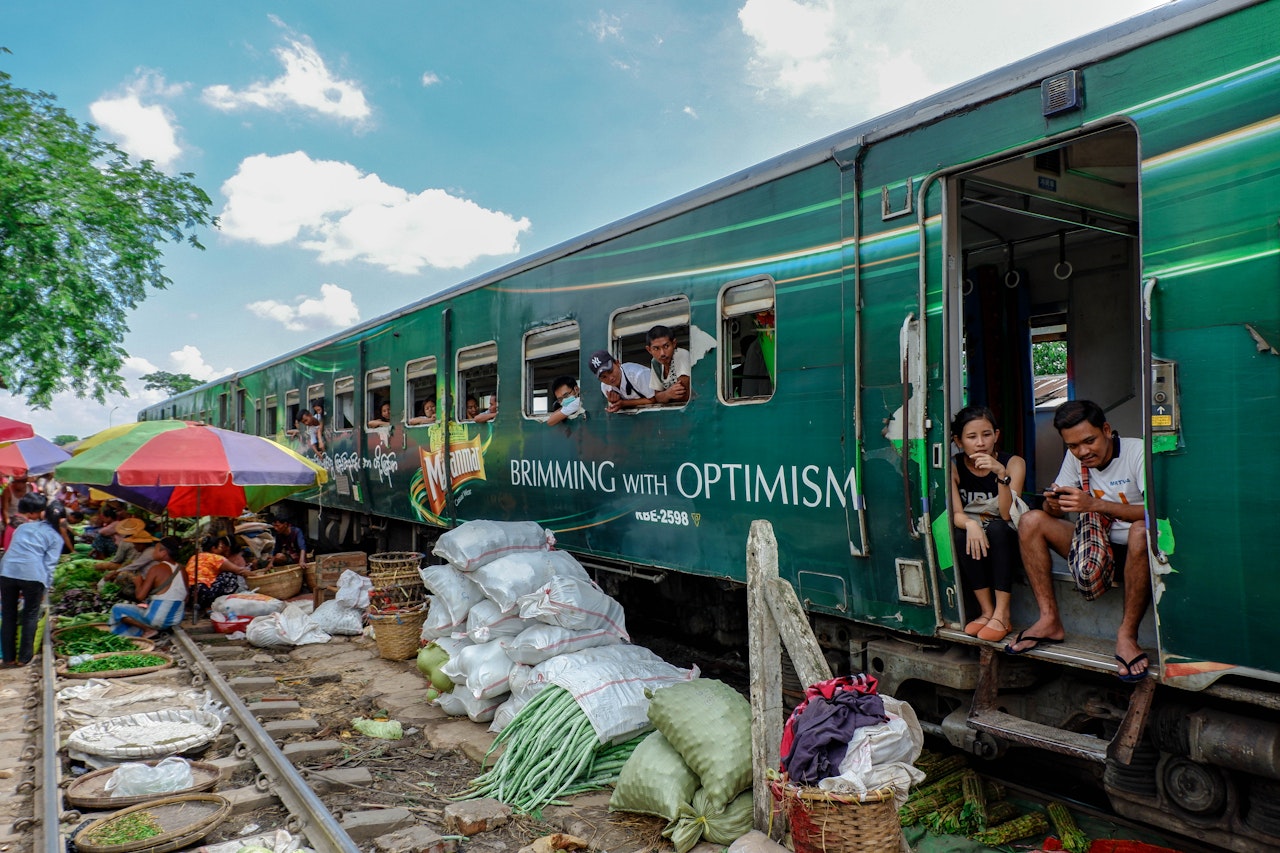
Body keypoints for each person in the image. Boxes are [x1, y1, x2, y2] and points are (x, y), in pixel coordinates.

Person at [1008, 399, 1150, 682]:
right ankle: (1049, 619)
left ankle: (1127, 635)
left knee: (1140, 531)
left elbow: (1156, 513)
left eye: (1089, 441)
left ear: (1106, 430)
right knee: (1031, 520)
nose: (1083, 452)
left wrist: (1095, 504)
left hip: (1139, 553)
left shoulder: (1138, 452)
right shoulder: (1076, 459)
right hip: (1096, 545)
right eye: (1073, 446)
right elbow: (1054, 510)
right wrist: (1053, 504)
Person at [949, 405, 1026, 643]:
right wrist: (971, 525)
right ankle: (986, 612)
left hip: (1007, 536)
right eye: (972, 437)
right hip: (977, 535)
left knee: (997, 528)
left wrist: (1001, 475)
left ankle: (1003, 614)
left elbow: (1006, 514)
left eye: (986, 434)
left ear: (996, 435)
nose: (980, 443)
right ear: (959, 441)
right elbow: (956, 514)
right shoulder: (953, 467)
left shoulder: (1013, 463)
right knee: (961, 533)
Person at [0, 494, 64, 666]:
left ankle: (8, 658)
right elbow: (49, 565)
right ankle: (24, 658)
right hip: (32, 574)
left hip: (7, 571)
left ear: (44, 514)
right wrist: (45, 589)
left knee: (8, 615)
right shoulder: (56, 537)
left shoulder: (23, 527)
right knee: (30, 615)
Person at [109, 536, 187, 638]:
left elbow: (140, 596)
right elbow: (186, 597)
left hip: (157, 620)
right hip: (175, 619)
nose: (153, 552)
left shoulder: (156, 569)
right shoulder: (182, 569)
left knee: (117, 609)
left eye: (155, 549)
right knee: (145, 607)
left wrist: (138, 583)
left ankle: (148, 630)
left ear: (163, 552)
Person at [589, 350, 655, 412]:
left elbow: (653, 399)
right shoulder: (605, 387)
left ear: (617, 363)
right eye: (604, 377)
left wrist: (624, 403)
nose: (610, 378)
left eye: (610, 371)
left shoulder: (638, 375)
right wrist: (615, 403)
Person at [645, 325, 691, 405]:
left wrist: (665, 395)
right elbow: (657, 397)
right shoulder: (655, 362)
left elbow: (684, 395)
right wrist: (668, 394)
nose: (662, 353)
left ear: (674, 343)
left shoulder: (681, 355)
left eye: (666, 346)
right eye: (656, 348)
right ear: (649, 350)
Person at [1, 474, 35, 550]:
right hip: (12, 519)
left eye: (22, 482)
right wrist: (9, 524)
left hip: (26, 518)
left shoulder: (30, 488)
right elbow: (5, 510)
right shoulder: (8, 491)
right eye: (17, 482)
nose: (19, 484)